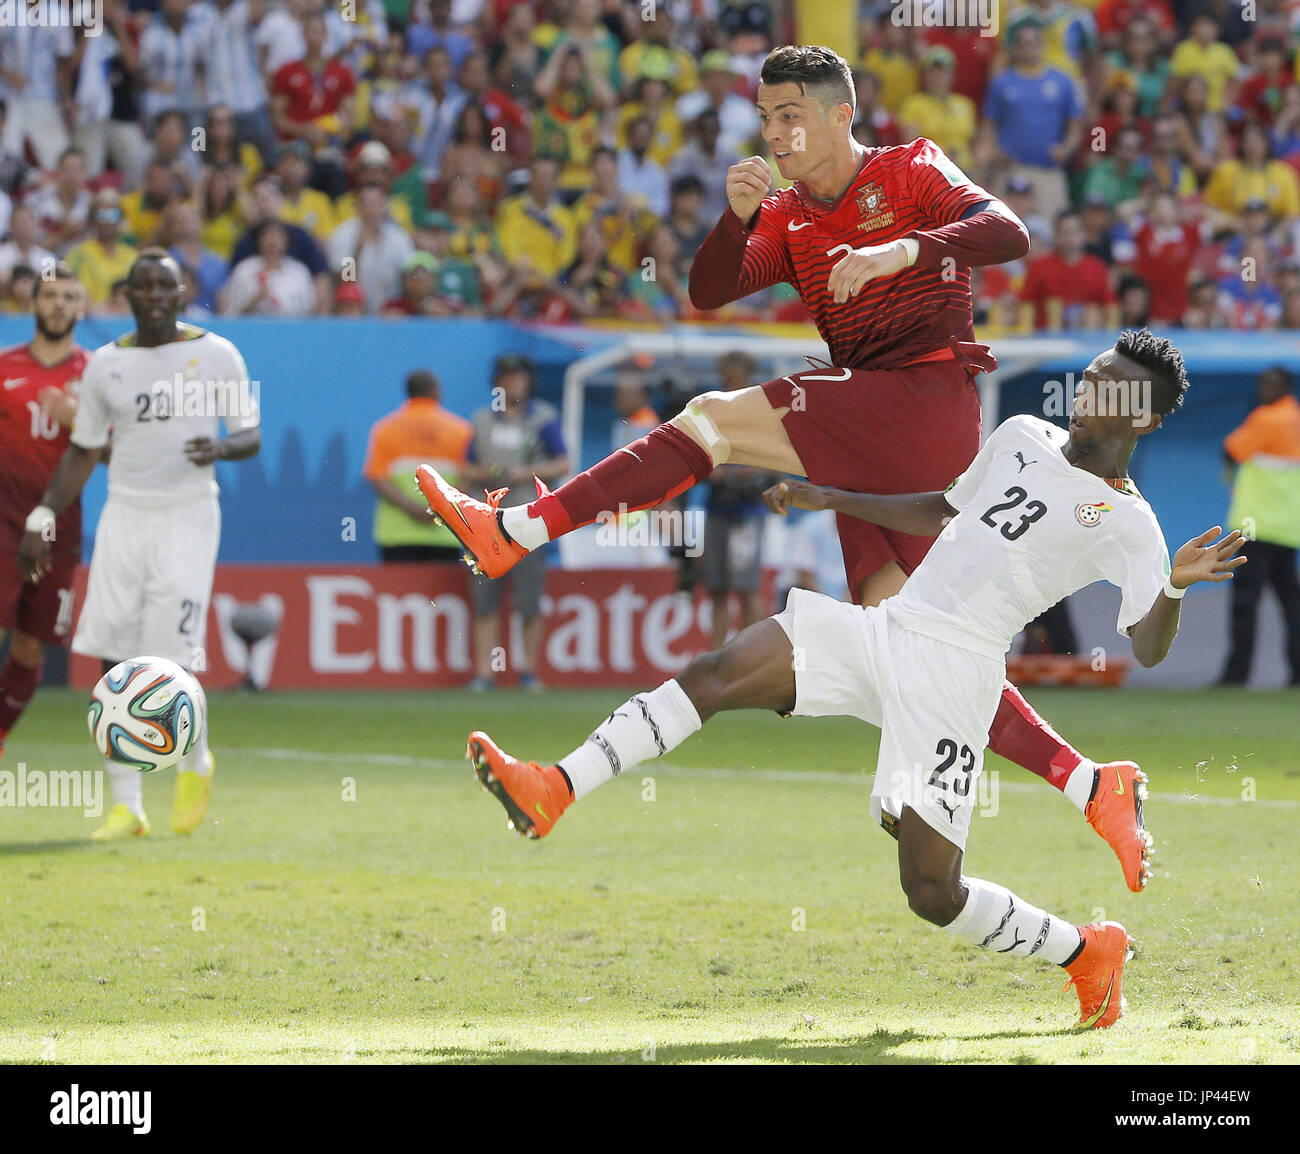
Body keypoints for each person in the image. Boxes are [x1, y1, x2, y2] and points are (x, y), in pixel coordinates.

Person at [418, 44, 1154, 893]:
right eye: (766, 116)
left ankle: (518, 528)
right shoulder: (789, 210)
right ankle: (1093, 785)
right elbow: (708, 291)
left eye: (791, 113)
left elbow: (1007, 232)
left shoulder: (912, 169)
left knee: (714, 424)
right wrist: (734, 219)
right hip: (867, 423)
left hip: (921, 397)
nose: (776, 132)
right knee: (915, 643)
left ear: (843, 115)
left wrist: (902, 252)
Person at [465, 332, 1245, 1030]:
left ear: (1142, 417)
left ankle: (1086, 952)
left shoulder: (1129, 521)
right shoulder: (1021, 435)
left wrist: (1173, 587)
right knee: (719, 670)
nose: (1087, 387)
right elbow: (942, 510)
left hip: (958, 675)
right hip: (887, 630)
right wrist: (832, 496)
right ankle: (553, 789)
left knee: (932, 893)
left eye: (1110, 384)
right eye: (1092, 371)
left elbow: (1146, 646)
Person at [17, 250, 261, 840]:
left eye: (165, 286)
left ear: (181, 292)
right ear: (126, 294)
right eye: (143, 286)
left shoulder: (217, 353)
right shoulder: (106, 365)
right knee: (111, 654)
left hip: (187, 515)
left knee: (170, 660)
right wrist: (44, 513)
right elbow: (83, 447)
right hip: (125, 513)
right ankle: (127, 806)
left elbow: (249, 434)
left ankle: (196, 763)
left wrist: (220, 450)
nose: (154, 295)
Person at [0, 265, 90, 762]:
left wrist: (84, 422)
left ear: (82, 307)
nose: (58, 304)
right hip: (3, 522)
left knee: (29, 651)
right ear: (33, 304)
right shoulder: (4, 366)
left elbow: (118, 454)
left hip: (62, 528)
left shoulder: (96, 375)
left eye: (68, 296)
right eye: (50, 295)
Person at [459, 355, 568, 692]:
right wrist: (486, 473)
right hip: (486, 522)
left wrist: (524, 473)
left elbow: (563, 461)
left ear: (527, 381)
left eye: (517, 377)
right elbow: (464, 469)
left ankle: (528, 670)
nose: (511, 384)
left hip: (528, 520)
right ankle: (484, 672)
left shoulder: (543, 419)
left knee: (529, 599)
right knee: (484, 599)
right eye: (506, 377)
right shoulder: (481, 421)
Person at [1217, 366, 1300, 686]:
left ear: (1283, 387)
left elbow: (1231, 449)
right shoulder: (1295, 418)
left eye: (1269, 384)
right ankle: (1296, 673)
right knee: (1291, 604)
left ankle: (1237, 674)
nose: (1264, 390)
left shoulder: (1267, 418)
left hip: (1255, 527)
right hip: (1287, 529)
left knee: (1244, 604)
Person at [699, 352, 775, 648]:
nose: (727, 380)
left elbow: (773, 462)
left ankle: (749, 653)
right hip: (718, 508)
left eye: (731, 373)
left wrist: (734, 474)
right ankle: (716, 655)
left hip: (747, 510)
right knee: (717, 586)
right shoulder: (712, 410)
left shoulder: (759, 412)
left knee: (746, 586)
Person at [362, 370, 473, 563]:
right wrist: (439, 510)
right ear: (436, 392)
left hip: (398, 534)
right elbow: (469, 475)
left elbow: (378, 479)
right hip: (446, 532)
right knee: (441, 593)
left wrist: (414, 509)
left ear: (409, 392)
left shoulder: (386, 428)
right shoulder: (460, 429)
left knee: (400, 591)